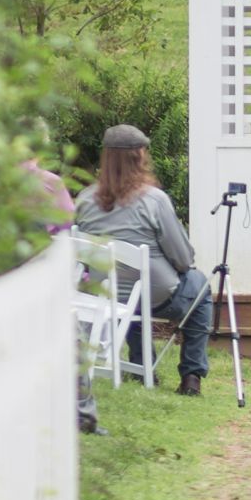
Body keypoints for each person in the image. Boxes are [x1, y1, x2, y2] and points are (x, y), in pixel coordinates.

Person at [73, 125, 214, 395]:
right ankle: (192, 375)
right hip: (157, 297)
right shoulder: (154, 200)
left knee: (129, 294)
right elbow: (183, 259)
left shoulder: (85, 200)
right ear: (140, 157)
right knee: (200, 287)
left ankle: (141, 366)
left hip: (107, 295)